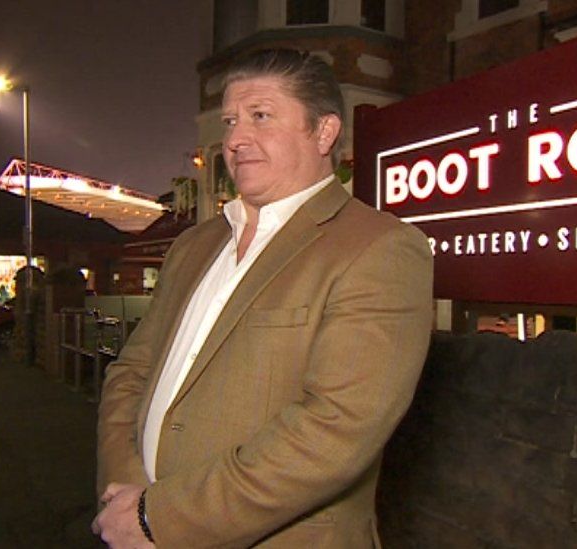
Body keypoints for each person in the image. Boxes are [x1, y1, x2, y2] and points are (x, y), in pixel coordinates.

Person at [93, 49, 433, 548]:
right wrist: (126, 493)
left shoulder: (379, 248)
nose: (234, 139)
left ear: (324, 132)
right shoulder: (194, 244)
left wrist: (160, 518)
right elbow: (130, 373)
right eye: (230, 120)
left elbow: (334, 433)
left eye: (261, 116)